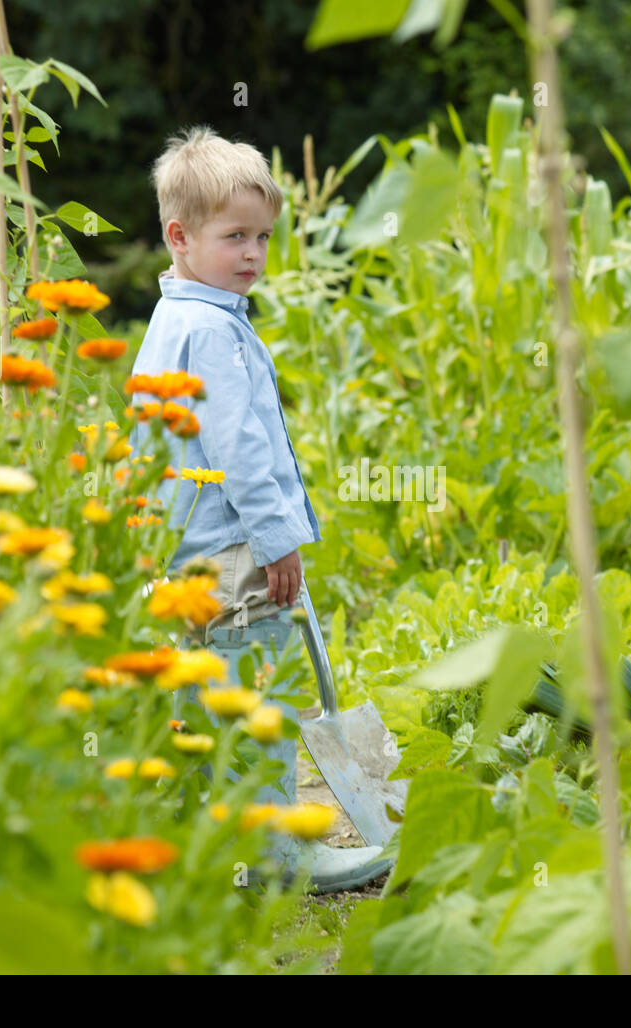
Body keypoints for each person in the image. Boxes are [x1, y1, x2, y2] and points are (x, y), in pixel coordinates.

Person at [127, 125, 389, 893]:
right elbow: (240, 447)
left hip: (184, 553)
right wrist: (279, 542)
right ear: (179, 236)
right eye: (234, 236)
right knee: (260, 701)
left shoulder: (172, 321)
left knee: (207, 700)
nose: (253, 254)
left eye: (263, 238)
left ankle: (211, 842)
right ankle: (274, 856)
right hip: (237, 548)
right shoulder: (214, 332)